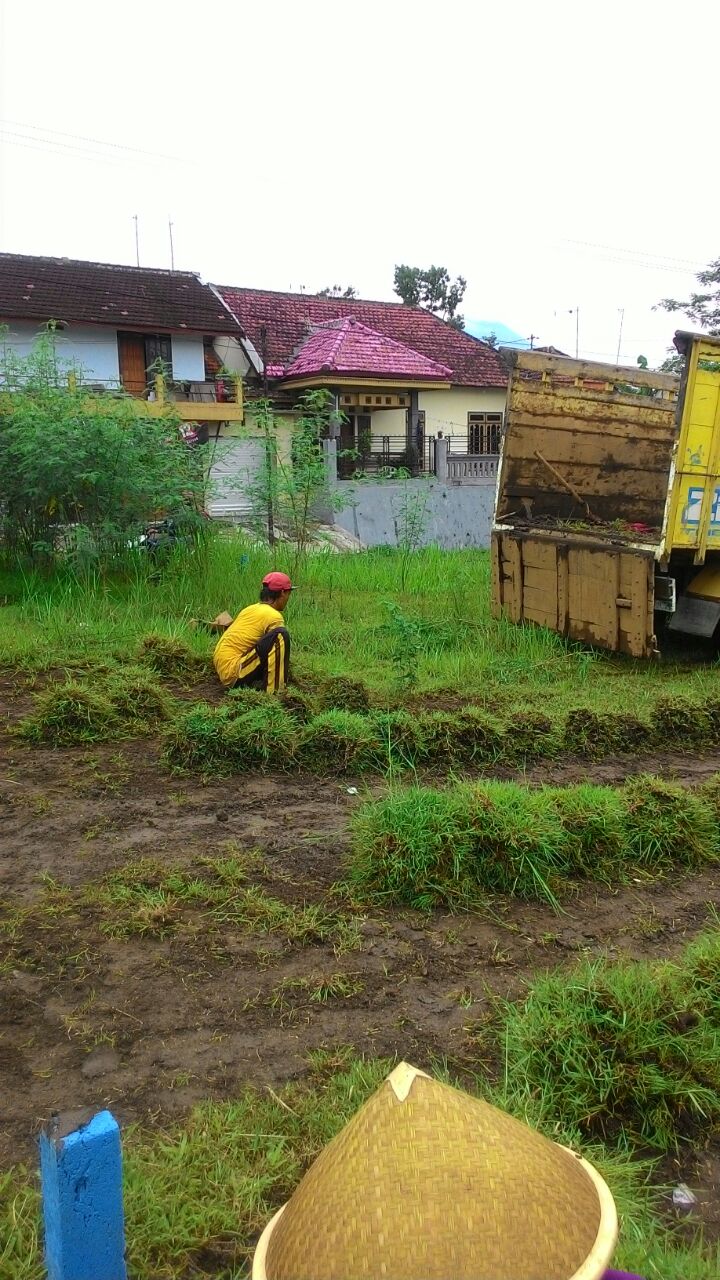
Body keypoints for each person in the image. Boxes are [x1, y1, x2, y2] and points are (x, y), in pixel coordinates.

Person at [213, 572, 294, 694]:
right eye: (289, 593)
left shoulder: (250, 609)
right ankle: (275, 692)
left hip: (224, 667)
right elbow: (277, 648)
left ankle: (260, 681)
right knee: (280, 635)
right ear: (282, 593)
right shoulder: (274, 616)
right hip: (234, 670)